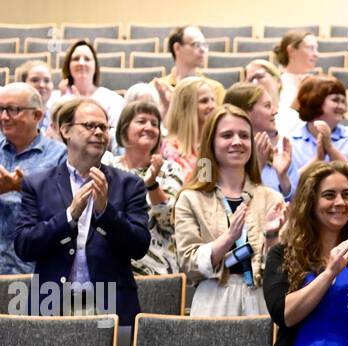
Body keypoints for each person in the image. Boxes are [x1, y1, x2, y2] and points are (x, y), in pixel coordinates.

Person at [13, 97, 151, 321]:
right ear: (66, 130)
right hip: (52, 304)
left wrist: (106, 211)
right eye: (90, 126)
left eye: (104, 127)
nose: (99, 132)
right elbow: (24, 245)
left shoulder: (129, 185)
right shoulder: (37, 185)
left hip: (111, 305)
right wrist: (69, 216)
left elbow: (139, 246)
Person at [263, 161, 348, 346]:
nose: (340, 202)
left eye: (346, 194)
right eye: (329, 195)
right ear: (310, 202)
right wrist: (330, 272)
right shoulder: (283, 254)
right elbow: (284, 315)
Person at [173, 104, 287, 317]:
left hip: (261, 301)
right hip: (212, 301)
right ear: (212, 143)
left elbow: (283, 270)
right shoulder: (191, 198)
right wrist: (228, 237)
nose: (237, 142)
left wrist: (271, 237)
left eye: (244, 135)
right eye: (227, 135)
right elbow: (188, 265)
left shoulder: (271, 198)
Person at [0, 83, 66, 276]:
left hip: (39, 268)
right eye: (1, 109)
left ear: (37, 115)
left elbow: (66, 212)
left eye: (13, 110)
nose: (3, 117)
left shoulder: (60, 156)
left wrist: (25, 188)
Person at [103, 99, 186, 275]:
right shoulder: (107, 165)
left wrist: (152, 184)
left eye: (154, 124)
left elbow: (172, 221)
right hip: (108, 264)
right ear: (124, 128)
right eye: (141, 121)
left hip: (156, 268)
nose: (149, 127)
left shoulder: (170, 169)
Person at [286, 76, 348, 197]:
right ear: (315, 101)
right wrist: (317, 160)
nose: (342, 107)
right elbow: (288, 188)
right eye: (335, 100)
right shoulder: (291, 141)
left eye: (343, 102)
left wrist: (330, 149)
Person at [224, 81, 293, 198]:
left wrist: (282, 177)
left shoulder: (281, 151)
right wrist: (258, 167)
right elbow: (218, 202)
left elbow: (295, 202)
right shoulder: (218, 151)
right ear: (245, 112)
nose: (274, 111)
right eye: (267, 106)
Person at [49, 40, 125, 139]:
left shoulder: (112, 99)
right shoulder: (55, 97)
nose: (81, 63)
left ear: (95, 66)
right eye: (76, 59)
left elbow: (116, 136)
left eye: (87, 59)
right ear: (68, 66)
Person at [161, 76, 222, 180]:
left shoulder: (217, 143)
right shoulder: (170, 149)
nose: (212, 106)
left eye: (213, 100)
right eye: (204, 101)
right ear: (186, 107)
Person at [154, 26, 209, 113]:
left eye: (205, 45)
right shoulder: (159, 89)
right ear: (177, 48)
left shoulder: (214, 88)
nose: (202, 50)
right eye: (196, 44)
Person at [273, 30, 320, 131]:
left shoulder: (318, 84)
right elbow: (280, 127)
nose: (316, 54)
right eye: (310, 48)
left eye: (316, 49)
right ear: (291, 51)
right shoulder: (276, 83)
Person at [14, 59, 56, 135]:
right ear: (24, 84)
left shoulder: (57, 117)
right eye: (35, 80)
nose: (42, 85)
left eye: (47, 80)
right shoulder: (10, 116)